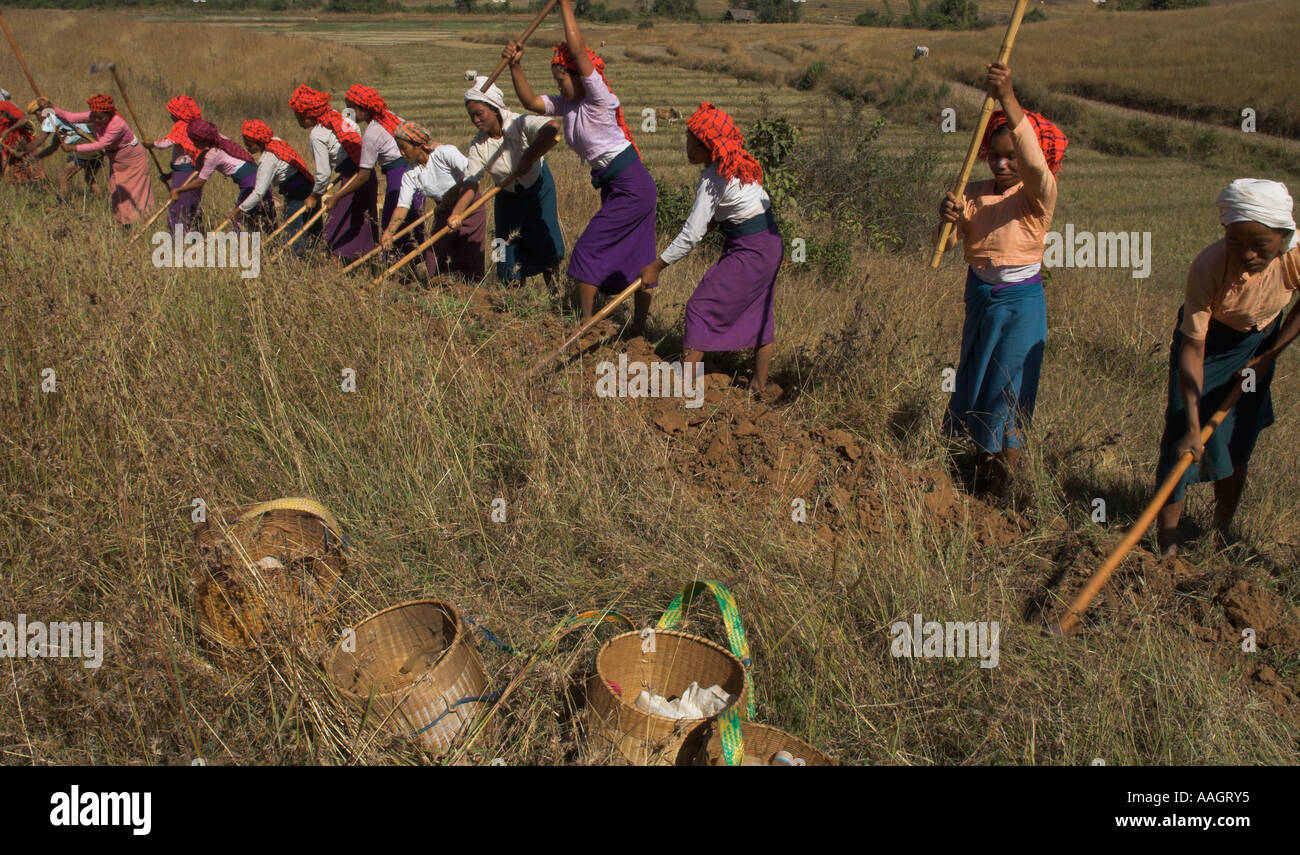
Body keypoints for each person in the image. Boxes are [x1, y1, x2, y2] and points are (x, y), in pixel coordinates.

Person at [934, 62, 1066, 496]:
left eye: (1012, 155)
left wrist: (1008, 97)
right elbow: (947, 244)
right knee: (977, 379)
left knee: (1008, 389)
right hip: (981, 296)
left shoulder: (1037, 194)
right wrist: (947, 220)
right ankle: (979, 470)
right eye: (996, 154)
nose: (1004, 163)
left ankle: (1003, 484)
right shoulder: (971, 191)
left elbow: (1033, 161)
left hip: (1020, 303)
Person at [1154, 179, 1300, 556]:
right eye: (1235, 242)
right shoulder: (1208, 267)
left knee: (1238, 436)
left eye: (1260, 245)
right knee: (1179, 444)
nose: (1246, 254)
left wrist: (1269, 355)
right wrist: (1191, 426)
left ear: (1282, 239)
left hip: (1260, 345)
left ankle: (1220, 533)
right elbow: (1192, 349)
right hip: (1208, 347)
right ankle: (1167, 541)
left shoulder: (1293, 257)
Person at [503, 0, 657, 335]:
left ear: (577, 73)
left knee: (588, 250)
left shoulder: (597, 96)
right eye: (556, 83)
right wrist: (516, 66)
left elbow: (577, 47)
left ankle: (586, 324)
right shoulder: (568, 104)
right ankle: (635, 330)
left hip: (631, 184)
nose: (558, 87)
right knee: (640, 257)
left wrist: (566, 6)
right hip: (619, 185)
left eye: (561, 79)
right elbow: (531, 102)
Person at [638, 103, 781, 396]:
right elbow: (739, 209)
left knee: (701, 307)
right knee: (759, 309)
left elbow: (691, 235)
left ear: (709, 147)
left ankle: (683, 387)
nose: (687, 145)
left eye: (693, 141)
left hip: (750, 250)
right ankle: (759, 384)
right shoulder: (739, 163)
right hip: (769, 244)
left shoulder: (713, 178)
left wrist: (657, 265)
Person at [448, 75, 563, 288]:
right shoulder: (478, 145)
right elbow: (472, 182)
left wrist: (528, 157)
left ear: (494, 109)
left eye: (479, 114)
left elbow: (552, 128)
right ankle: (511, 294)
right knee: (501, 245)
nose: (475, 120)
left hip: (538, 189)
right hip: (507, 195)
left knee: (544, 239)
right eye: (471, 116)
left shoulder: (519, 123)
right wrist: (457, 213)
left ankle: (555, 291)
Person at [381, 120, 484, 280]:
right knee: (433, 257)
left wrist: (457, 210)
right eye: (399, 149)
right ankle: (439, 285)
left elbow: (471, 176)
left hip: (469, 204)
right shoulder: (410, 174)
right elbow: (402, 207)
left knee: (468, 252)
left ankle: (470, 289)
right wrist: (389, 232)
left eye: (404, 148)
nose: (402, 153)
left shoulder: (444, 153)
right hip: (444, 210)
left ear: (417, 144)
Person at [289, 84, 375, 260]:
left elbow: (323, 175)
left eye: (297, 115)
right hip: (367, 173)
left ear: (305, 116)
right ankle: (366, 261)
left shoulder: (317, 134)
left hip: (354, 177)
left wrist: (314, 195)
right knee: (362, 220)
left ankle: (338, 266)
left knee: (336, 224)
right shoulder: (339, 117)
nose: (297, 119)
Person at [43, 94, 155, 225]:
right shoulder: (93, 116)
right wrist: (52, 108)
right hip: (115, 157)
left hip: (131, 157)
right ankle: (122, 220)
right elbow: (71, 118)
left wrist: (74, 148)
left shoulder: (117, 124)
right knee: (116, 187)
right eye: (95, 117)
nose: (97, 120)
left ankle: (140, 219)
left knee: (134, 189)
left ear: (109, 113)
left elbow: (100, 144)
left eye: (101, 118)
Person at [342, 84, 423, 258]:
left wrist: (337, 197)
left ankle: (393, 267)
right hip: (415, 170)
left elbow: (363, 176)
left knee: (391, 222)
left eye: (350, 107)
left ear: (362, 109)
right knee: (414, 221)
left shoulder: (372, 133)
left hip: (399, 176)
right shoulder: (390, 117)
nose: (347, 112)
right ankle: (417, 264)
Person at [173, 119, 271, 232]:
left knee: (238, 217)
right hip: (260, 176)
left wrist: (179, 190)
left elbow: (201, 181)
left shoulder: (213, 155)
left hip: (250, 183)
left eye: (195, 141)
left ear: (203, 140)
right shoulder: (219, 139)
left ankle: (242, 246)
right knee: (263, 215)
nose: (194, 144)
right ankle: (268, 243)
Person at [239, 119, 316, 249]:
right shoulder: (275, 141)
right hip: (306, 186)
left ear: (259, 142)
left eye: (250, 145)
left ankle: (295, 258)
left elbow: (259, 192)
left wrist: (240, 209)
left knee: (294, 229)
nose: (247, 147)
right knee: (310, 224)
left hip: (297, 191)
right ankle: (312, 250)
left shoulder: (268, 159)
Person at [143, 96, 203, 230]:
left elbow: (166, 143)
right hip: (192, 173)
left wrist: (151, 144)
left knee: (180, 206)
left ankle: (178, 238)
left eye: (172, 114)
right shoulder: (196, 127)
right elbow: (186, 157)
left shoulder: (184, 128)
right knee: (191, 204)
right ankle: (195, 233)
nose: (171, 116)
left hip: (185, 174)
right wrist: (170, 175)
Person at [26, 100, 101, 199]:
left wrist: (23, 151)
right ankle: (103, 200)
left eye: (37, 113)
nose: (38, 117)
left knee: (63, 178)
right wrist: (36, 157)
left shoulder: (50, 117)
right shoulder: (60, 127)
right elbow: (52, 147)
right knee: (90, 179)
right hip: (94, 144)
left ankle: (62, 205)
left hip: (85, 143)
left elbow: (40, 139)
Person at [0, 99, 42, 182]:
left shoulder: (5, 106)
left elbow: (24, 119)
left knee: (33, 173)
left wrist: (8, 131)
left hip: (20, 142)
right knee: (10, 176)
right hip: (5, 145)